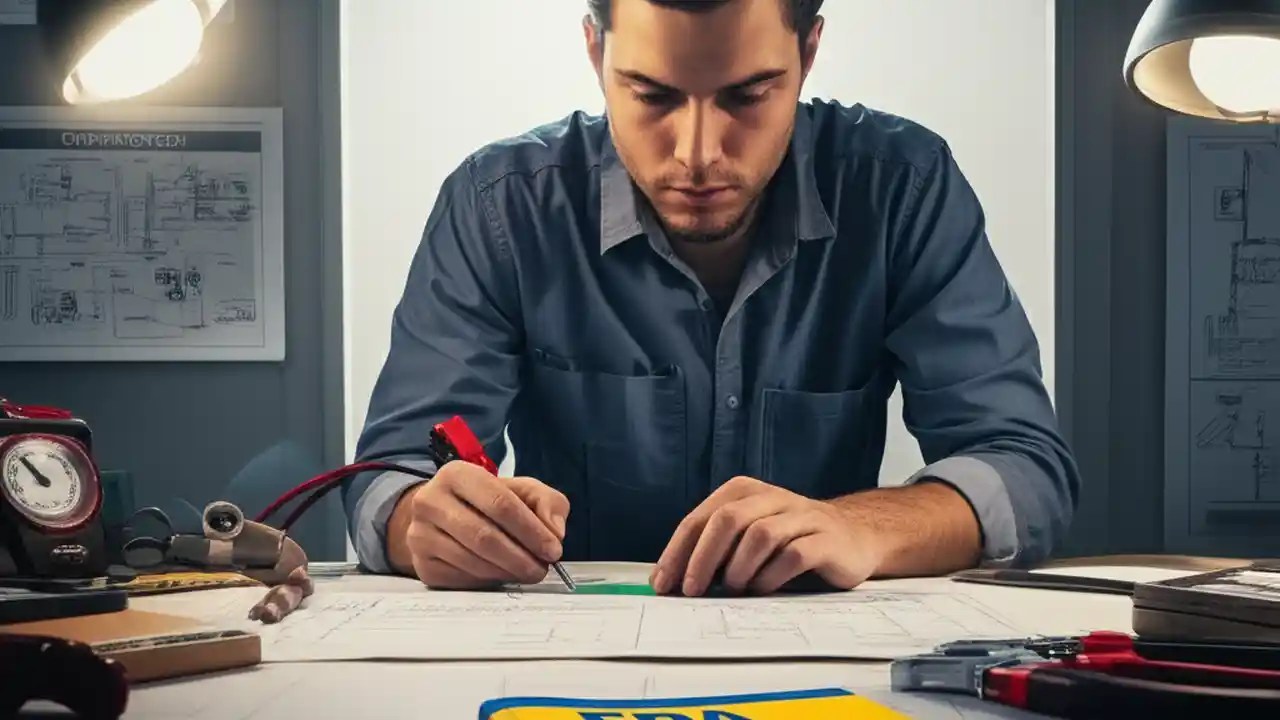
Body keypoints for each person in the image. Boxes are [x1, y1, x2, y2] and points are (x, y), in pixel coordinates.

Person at [343, 0, 1079, 597]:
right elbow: (391, 477)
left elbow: (1023, 469)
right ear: (596, 52)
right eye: (653, 95)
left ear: (809, 52)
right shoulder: (499, 208)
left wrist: (863, 527)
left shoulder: (904, 191)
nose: (698, 151)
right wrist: (423, 521)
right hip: (567, 658)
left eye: (748, 94)